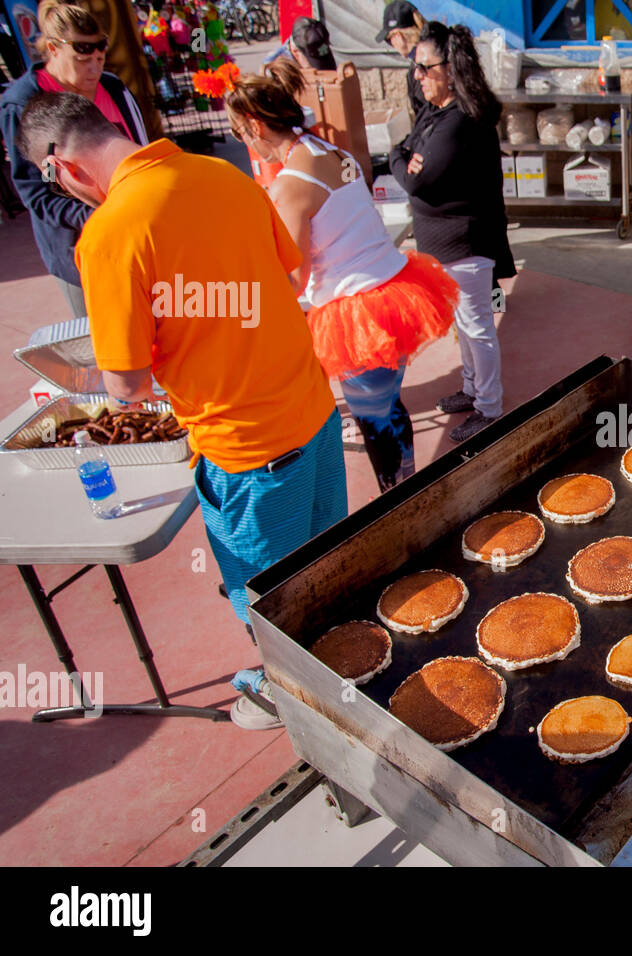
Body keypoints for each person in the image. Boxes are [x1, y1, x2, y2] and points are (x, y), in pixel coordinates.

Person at [19, 91, 348, 730]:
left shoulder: (111, 233)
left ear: (62, 166)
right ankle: (338, 667)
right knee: (328, 569)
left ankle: (304, 702)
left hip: (247, 453)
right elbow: (284, 277)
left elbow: (129, 386)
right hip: (313, 413)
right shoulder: (221, 173)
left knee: (268, 600)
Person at [226, 59, 459, 491]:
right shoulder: (330, 151)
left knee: (376, 417)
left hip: (358, 313)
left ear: (255, 126)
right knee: (387, 407)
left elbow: (294, 279)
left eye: (240, 133)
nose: (244, 143)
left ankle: (398, 499)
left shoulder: (290, 183)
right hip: (393, 289)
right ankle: (405, 487)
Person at [390, 23, 516, 443]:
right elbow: (409, 155)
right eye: (416, 67)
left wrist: (398, 157)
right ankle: (471, 389)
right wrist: (403, 155)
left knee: (477, 326)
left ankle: (489, 407)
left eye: (425, 68)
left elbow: (415, 181)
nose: (417, 76)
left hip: (466, 243)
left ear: (450, 68)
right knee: (464, 325)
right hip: (447, 246)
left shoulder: (460, 121)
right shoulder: (438, 113)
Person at [0, 0, 148, 318]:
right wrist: (94, 218)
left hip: (134, 232)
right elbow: (38, 191)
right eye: (82, 60)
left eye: (100, 57)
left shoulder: (113, 88)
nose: (94, 68)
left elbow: (143, 151)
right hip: (78, 247)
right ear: (53, 49)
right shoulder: (23, 104)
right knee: (105, 340)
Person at [376, 0, 426, 118]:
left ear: (398, 36)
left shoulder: (421, 67)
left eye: (389, 40)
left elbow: (429, 113)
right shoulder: (433, 53)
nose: (391, 45)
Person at [263, 16, 337, 72]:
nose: (318, 70)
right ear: (295, 52)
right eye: (312, 63)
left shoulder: (319, 42)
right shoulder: (272, 67)